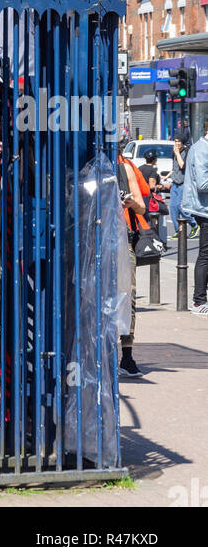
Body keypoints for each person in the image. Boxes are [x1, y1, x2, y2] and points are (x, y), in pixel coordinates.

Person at [116, 146, 149, 375]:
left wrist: (130, 203)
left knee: (128, 297)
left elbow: (142, 205)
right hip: (95, 239)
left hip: (123, 237)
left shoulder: (125, 168)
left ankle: (127, 357)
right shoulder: (88, 167)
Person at [181, 119, 208, 315]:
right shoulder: (202, 150)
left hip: (203, 208)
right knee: (205, 255)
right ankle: (199, 301)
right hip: (204, 209)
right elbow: (203, 184)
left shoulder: (199, 147)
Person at [169, 136, 197, 238]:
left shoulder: (187, 152)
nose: (176, 144)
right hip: (174, 183)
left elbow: (182, 166)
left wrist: (177, 154)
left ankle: (194, 224)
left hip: (183, 184)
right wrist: (166, 177)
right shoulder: (174, 153)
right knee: (173, 208)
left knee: (182, 208)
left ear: (183, 143)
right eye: (175, 141)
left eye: (179, 141)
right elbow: (174, 168)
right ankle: (178, 231)